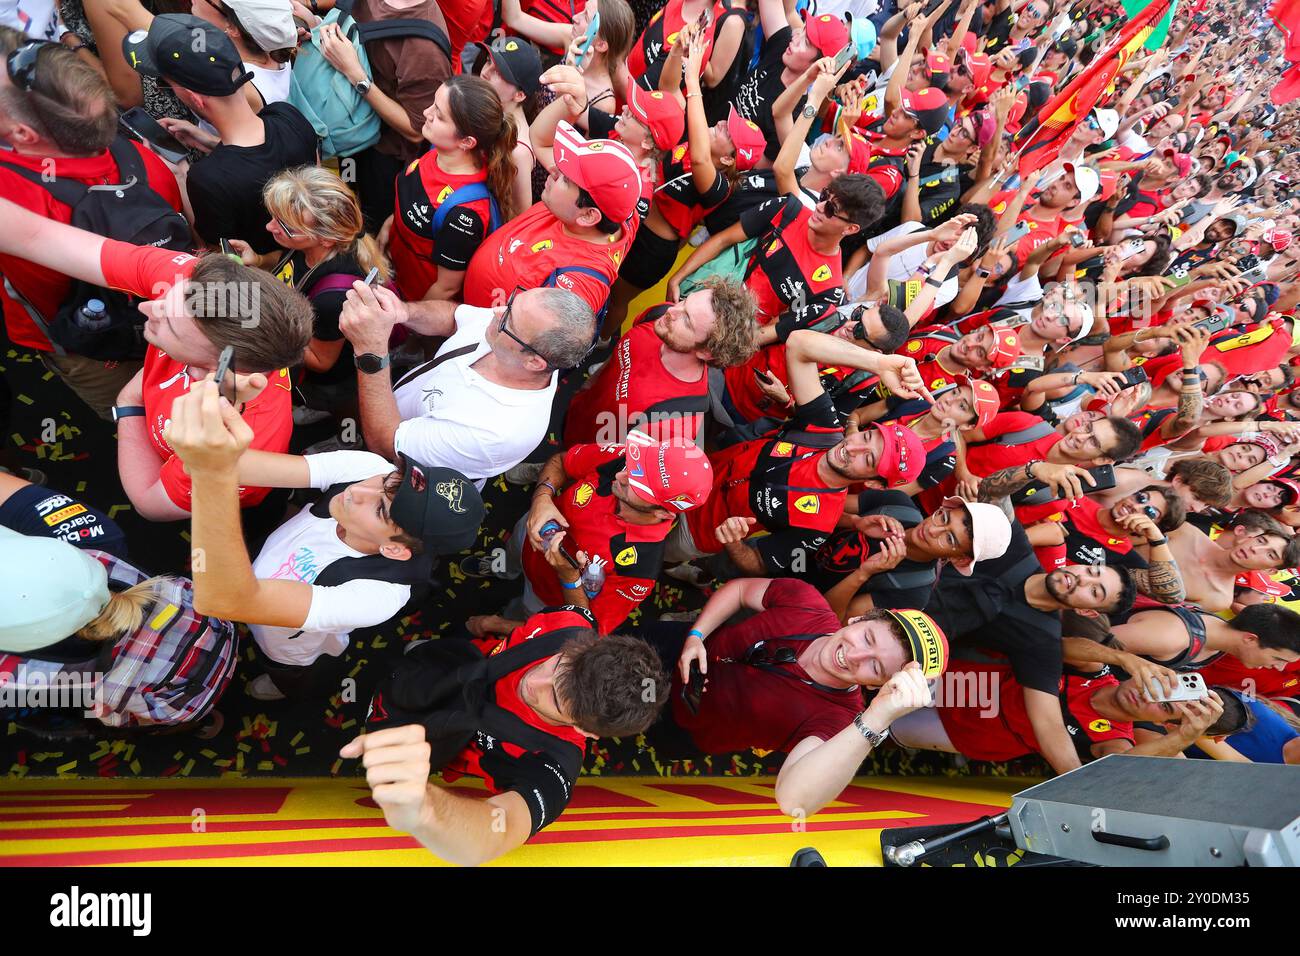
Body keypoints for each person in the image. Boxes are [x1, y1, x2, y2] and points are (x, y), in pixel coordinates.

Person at [162, 377, 485, 700]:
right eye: (388, 480)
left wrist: (210, 471)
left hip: (284, 643)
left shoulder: (378, 595)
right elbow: (240, 466)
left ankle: (287, 688)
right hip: (251, 574)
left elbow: (226, 599)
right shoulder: (367, 468)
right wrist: (226, 412)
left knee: (287, 671)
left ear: (394, 549)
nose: (357, 490)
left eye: (380, 511)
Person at [0, 194, 313, 520]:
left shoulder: (244, 441)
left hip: (224, 506)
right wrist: (136, 390)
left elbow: (149, 501)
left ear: (216, 365)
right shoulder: (196, 285)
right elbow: (36, 236)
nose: (148, 307)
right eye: (166, 298)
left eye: (170, 326)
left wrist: (130, 405)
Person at [345, 606, 666, 865]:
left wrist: (425, 807)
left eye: (555, 698)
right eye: (558, 665)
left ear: (584, 730)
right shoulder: (572, 626)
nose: (533, 682)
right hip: (445, 661)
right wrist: (495, 623)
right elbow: (579, 612)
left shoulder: (554, 764)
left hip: (417, 732)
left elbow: (498, 830)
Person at [642, 576, 946, 816]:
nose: (856, 655)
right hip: (668, 648)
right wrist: (697, 635)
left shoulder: (839, 721)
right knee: (603, 658)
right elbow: (739, 590)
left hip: (680, 726)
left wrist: (878, 717)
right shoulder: (806, 601)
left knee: (615, 723)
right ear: (858, 619)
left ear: (875, 685)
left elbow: (793, 801)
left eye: (875, 666)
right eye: (867, 638)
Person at [0, 27, 185, 419]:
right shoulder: (145, 160)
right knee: (167, 409)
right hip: (160, 324)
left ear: (22, 133)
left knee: (128, 412)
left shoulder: (15, 195)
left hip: (80, 345)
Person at [917, 463, 1141, 775]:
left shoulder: (1042, 640)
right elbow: (990, 491)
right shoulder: (1017, 551)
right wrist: (1036, 470)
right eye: (1091, 572)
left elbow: (1049, 725)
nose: (1082, 580)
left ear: (1088, 612)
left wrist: (1076, 784)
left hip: (904, 638)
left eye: (1095, 591)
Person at [671, 329, 928, 575]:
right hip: (685, 471)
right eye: (867, 436)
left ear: (873, 482)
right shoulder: (824, 429)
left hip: (694, 533)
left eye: (868, 458)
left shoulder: (819, 523)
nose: (852, 446)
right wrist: (879, 363)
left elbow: (759, 563)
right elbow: (799, 344)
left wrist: (734, 544)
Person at [337, 278, 595, 488]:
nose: (496, 311)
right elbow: (454, 317)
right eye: (512, 302)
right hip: (388, 408)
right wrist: (404, 312)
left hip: (395, 478)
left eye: (508, 320)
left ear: (534, 362)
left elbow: (385, 442)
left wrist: (371, 351)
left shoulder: (497, 431)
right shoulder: (509, 334)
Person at [462, 433, 713, 635]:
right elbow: (562, 461)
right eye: (636, 466)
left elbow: (582, 629)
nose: (622, 474)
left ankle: (509, 614)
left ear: (663, 514)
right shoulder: (623, 460)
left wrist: (497, 625)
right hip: (532, 530)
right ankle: (501, 568)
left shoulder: (639, 568)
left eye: (639, 484)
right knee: (510, 556)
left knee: (519, 612)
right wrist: (542, 497)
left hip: (545, 597)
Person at [0, 525, 238, 729]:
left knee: (96, 712)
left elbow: (106, 712)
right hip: (221, 632)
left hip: (177, 709)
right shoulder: (96, 562)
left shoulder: (22, 675)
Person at [122, 14, 318, 254]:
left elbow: (219, 255)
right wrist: (212, 143)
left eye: (168, 84)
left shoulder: (208, 180)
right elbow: (304, 184)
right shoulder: (288, 116)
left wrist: (180, 175)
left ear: (194, 97)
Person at [225, 165, 388, 419]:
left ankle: (344, 433)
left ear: (325, 239)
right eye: (274, 217)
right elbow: (291, 261)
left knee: (336, 405)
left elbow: (321, 361)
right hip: (304, 340)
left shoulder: (333, 298)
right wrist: (257, 260)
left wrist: (261, 324)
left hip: (330, 380)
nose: (270, 227)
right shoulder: (314, 247)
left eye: (285, 227)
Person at [462, 122, 642, 315]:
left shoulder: (577, 287)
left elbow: (539, 342)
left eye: (566, 179)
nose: (553, 169)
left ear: (589, 216)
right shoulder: (619, 214)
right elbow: (540, 137)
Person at [890, 661, 1230, 763]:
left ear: (1160, 724)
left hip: (967, 735)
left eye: (1164, 707)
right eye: (1158, 685)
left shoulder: (1115, 741)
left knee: (876, 730)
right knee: (883, 689)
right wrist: (1125, 658)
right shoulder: (1097, 667)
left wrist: (1186, 736)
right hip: (971, 686)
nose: (1149, 696)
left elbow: (1120, 771)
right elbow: (1063, 646)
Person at [310, 0, 452, 230]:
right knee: (340, 199)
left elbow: (417, 130)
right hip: (344, 134)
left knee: (362, 225)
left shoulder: (424, 49)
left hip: (380, 154)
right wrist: (315, 23)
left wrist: (354, 73)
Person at [563, 279, 757, 447]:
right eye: (684, 302)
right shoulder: (659, 316)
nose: (673, 310)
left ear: (706, 351)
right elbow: (618, 358)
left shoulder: (676, 424)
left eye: (687, 321)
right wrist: (587, 386)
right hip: (575, 414)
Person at [386, 74, 518, 302]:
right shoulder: (436, 150)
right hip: (395, 278)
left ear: (466, 142)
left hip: (412, 304)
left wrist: (409, 320)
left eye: (438, 115)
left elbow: (446, 289)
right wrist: (390, 226)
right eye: (433, 105)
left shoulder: (465, 213)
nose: (426, 113)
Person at [821, 493, 1013, 620]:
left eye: (949, 538)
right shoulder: (897, 504)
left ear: (960, 559)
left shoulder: (913, 592)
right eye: (943, 518)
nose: (932, 529)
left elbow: (833, 620)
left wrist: (864, 573)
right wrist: (854, 522)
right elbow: (819, 504)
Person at [1163, 510, 1300, 612]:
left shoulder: (1219, 598)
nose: (1256, 549)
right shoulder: (1188, 533)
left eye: (1270, 554)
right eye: (1260, 540)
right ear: (1249, 538)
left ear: (1270, 570)